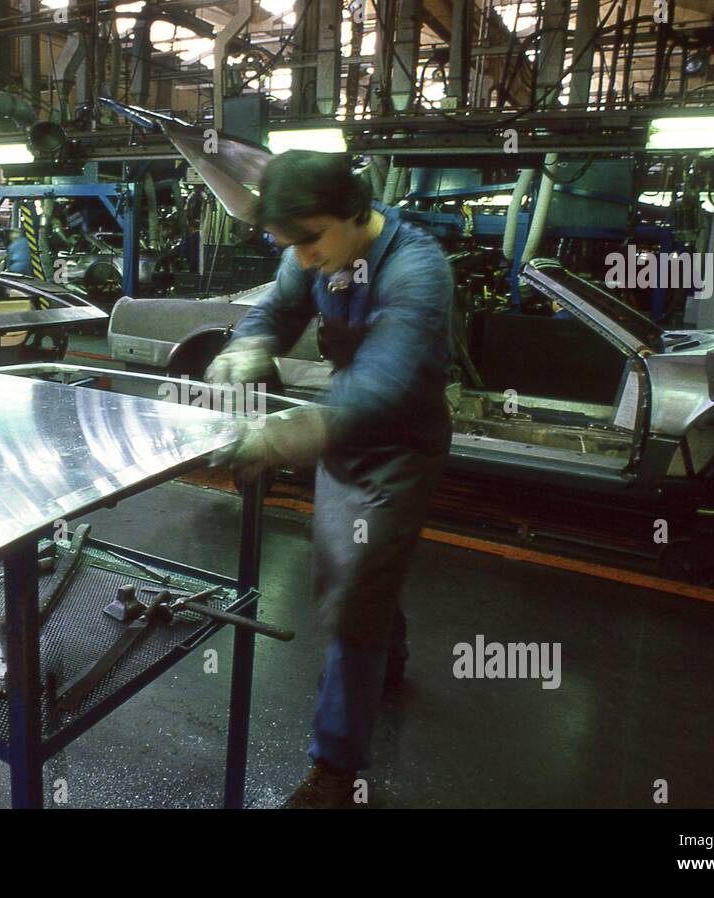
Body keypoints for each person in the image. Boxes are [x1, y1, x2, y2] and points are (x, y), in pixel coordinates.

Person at [205, 150, 455, 809]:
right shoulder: (314, 249)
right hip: (341, 441)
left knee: (353, 593)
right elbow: (276, 309)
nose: (304, 260)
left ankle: (335, 772)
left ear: (354, 210)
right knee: (356, 570)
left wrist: (294, 433)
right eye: (290, 245)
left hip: (399, 449)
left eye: (311, 241)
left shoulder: (417, 270)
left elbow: (385, 383)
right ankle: (384, 657)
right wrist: (248, 345)